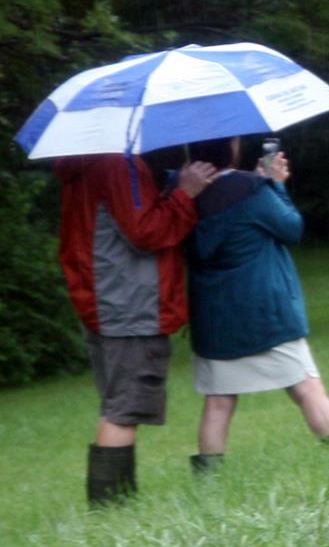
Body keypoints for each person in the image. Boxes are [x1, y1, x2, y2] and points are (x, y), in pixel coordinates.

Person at [58, 151, 217, 505]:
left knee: (118, 404)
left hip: (107, 298)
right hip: (130, 304)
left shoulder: (86, 161)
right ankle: (112, 512)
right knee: (124, 409)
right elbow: (147, 231)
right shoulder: (118, 164)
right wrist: (184, 194)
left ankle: (116, 508)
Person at [184, 135, 329, 473]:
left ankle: (208, 486)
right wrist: (275, 184)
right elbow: (292, 228)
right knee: (306, 387)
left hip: (213, 318)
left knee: (218, 402)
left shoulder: (182, 194)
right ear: (232, 147)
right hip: (264, 313)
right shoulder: (252, 189)